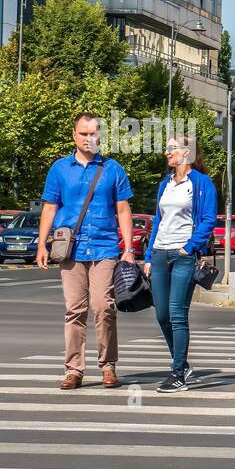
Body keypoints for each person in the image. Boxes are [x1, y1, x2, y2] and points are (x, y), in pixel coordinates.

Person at [36, 112, 136, 389]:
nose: (88, 138)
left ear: (99, 136)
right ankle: (74, 370)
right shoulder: (59, 168)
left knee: (104, 307)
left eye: (93, 133)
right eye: (83, 133)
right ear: (74, 135)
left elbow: (123, 210)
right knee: (74, 309)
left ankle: (108, 365)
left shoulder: (113, 169)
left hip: (104, 247)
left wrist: (128, 248)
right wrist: (41, 243)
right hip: (69, 248)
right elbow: (49, 207)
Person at [144, 133, 218, 393]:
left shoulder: (201, 183)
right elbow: (158, 221)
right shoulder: (165, 183)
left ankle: (177, 374)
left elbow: (209, 219)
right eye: (167, 149)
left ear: (187, 153)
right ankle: (183, 363)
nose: (167, 153)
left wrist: (189, 247)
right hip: (160, 254)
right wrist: (149, 256)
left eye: (172, 149)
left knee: (177, 314)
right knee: (161, 313)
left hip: (183, 255)